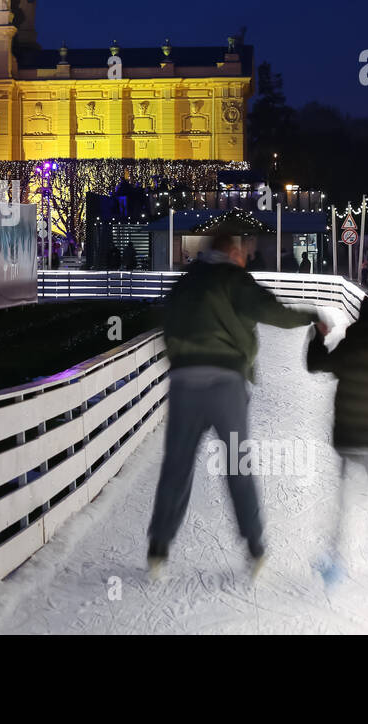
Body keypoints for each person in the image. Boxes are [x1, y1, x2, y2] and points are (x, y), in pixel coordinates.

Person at [147, 233, 328, 578]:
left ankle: (158, 549)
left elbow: (164, 323)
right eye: (244, 254)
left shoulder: (184, 284)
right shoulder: (235, 280)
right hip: (225, 382)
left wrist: (182, 358)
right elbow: (272, 311)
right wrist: (310, 316)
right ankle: (255, 548)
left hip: (185, 382)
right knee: (237, 465)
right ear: (232, 253)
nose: (246, 259)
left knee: (176, 467)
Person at [306, 296, 368, 586]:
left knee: (346, 500)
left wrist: (315, 338)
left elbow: (315, 364)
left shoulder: (348, 348)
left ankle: (335, 562)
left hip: (348, 436)